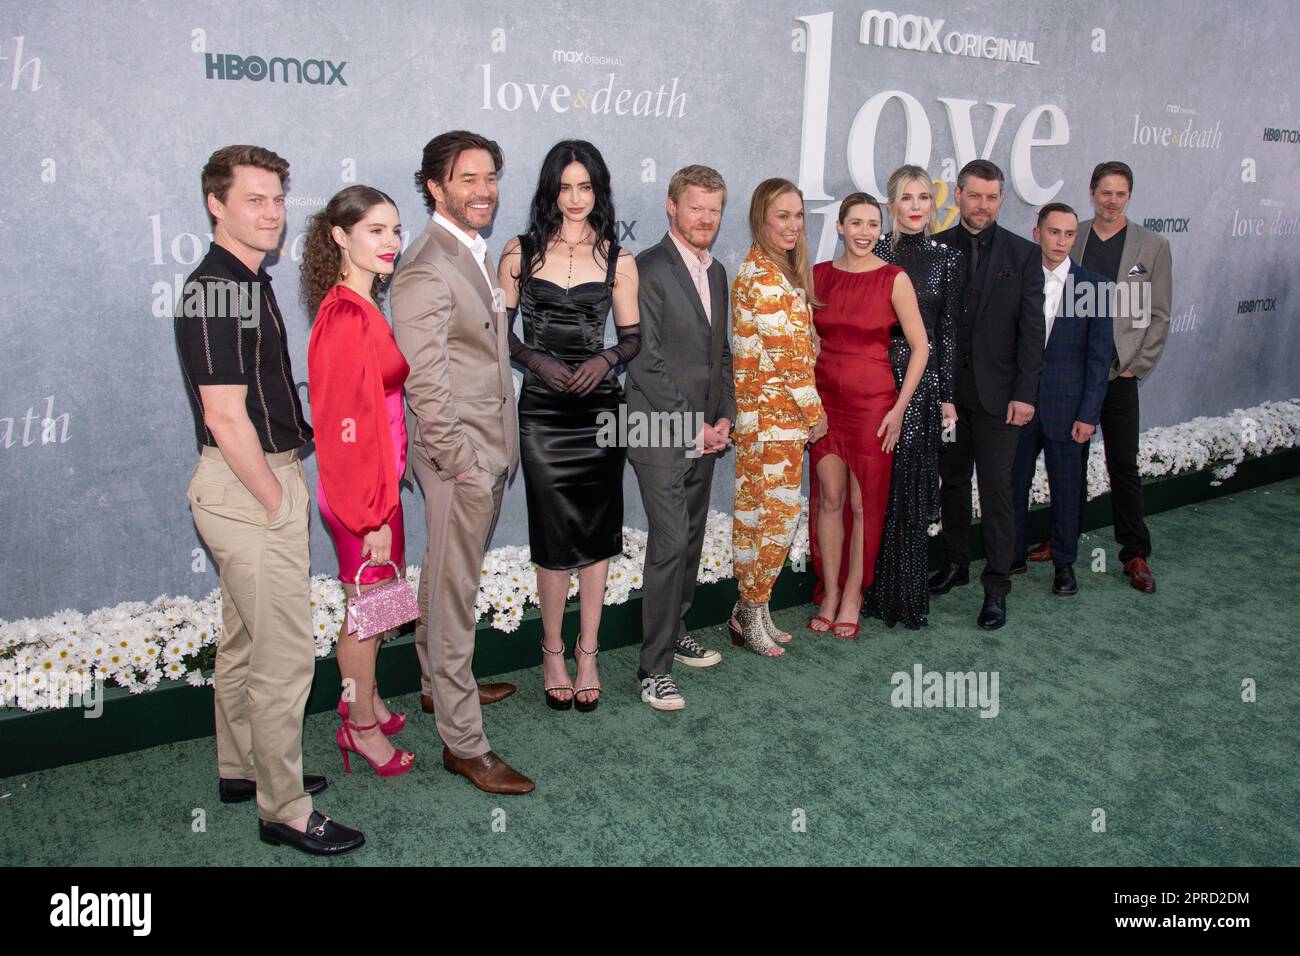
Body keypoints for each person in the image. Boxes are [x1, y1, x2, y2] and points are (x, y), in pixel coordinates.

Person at [175, 145, 362, 854]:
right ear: (215, 205)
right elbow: (225, 416)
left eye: (279, 198)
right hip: (249, 482)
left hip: (250, 479)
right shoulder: (219, 288)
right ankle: (281, 809)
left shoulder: (245, 282)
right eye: (254, 199)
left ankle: (241, 768)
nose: (272, 212)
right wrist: (277, 501)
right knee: (285, 655)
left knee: (246, 639)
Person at [392, 130, 533, 794]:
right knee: (456, 595)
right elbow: (424, 382)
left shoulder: (469, 252)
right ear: (435, 186)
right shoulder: (426, 264)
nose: (484, 190)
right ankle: (464, 743)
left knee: (447, 572)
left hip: (483, 446)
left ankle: (431, 687)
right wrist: (462, 462)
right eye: (468, 178)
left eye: (491, 177)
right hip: (461, 457)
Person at [498, 140, 641, 713]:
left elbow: (631, 339)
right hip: (543, 411)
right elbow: (498, 333)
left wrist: (603, 361)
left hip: (600, 408)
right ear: (550, 190)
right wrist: (538, 363)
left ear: (598, 189)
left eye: (585, 187)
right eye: (565, 186)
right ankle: (551, 650)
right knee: (555, 535)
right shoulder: (520, 251)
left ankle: (588, 654)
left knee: (598, 534)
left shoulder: (618, 259)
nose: (576, 198)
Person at [303, 185, 414, 778]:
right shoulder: (346, 314)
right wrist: (371, 515)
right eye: (375, 230)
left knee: (374, 608)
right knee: (365, 615)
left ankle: (366, 701)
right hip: (362, 497)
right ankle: (359, 727)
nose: (391, 241)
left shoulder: (361, 303)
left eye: (394, 229)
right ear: (340, 237)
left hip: (379, 489)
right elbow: (343, 430)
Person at [1027, 162, 1172, 594]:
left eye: (1120, 193)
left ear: (1129, 196)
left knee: (1123, 463)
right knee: (1069, 465)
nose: (1112, 200)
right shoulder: (1075, 234)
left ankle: (1134, 553)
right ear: (1092, 193)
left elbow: (1159, 313)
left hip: (1119, 375)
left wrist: (1135, 365)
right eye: (1104, 192)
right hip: (1073, 378)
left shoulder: (1151, 245)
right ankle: (1060, 542)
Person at [626, 164, 734, 710]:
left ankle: (676, 628)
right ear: (671, 206)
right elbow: (646, 361)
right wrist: (693, 421)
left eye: (714, 209)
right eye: (696, 207)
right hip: (657, 428)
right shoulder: (647, 269)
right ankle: (653, 669)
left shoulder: (715, 272)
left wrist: (725, 417)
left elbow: (721, 355)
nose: (706, 218)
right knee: (670, 542)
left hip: (706, 431)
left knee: (690, 538)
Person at [928, 159, 1046, 630]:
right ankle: (956, 563)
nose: (983, 206)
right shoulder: (937, 249)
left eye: (992, 197)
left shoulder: (1022, 253)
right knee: (952, 484)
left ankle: (996, 587)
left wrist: (1025, 393)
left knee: (996, 490)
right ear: (958, 195)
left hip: (1001, 400)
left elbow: (1032, 331)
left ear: (1001, 199)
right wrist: (936, 391)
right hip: (948, 399)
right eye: (975, 196)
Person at [808, 193, 928, 638]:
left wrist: (899, 409)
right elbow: (810, 342)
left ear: (882, 229)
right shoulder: (818, 276)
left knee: (862, 504)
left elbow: (921, 347)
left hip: (873, 404)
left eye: (872, 224)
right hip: (824, 404)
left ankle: (855, 594)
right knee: (830, 499)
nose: (864, 232)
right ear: (840, 226)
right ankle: (830, 592)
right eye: (855, 223)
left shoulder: (893, 279)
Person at [729, 178, 826, 656]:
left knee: (756, 515)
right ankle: (751, 608)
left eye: (798, 215)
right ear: (760, 219)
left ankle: (752, 607)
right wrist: (816, 413)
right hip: (773, 421)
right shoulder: (764, 276)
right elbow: (788, 358)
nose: (792, 225)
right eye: (781, 216)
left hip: (765, 421)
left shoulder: (778, 269)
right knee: (775, 519)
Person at [865, 165, 963, 630]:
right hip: (875, 379)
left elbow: (945, 332)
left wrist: (945, 395)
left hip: (918, 388)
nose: (918, 206)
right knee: (876, 489)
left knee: (907, 489)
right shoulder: (874, 250)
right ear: (891, 205)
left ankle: (905, 596)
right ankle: (869, 590)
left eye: (925, 197)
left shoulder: (946, 258)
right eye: (908, 197)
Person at [1011, 203, 1112, 596]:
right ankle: (1013, 555)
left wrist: (1089, 413)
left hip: (1068, 410)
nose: (1061, 241)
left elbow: (1099, 358)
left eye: (1069, 234)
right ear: (1037, 233)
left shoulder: (1095, 286)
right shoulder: (1017, 280)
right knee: (1012, 483)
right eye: (1054, 232)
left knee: (1068, 490)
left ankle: (1065, 565)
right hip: (1019, 405)